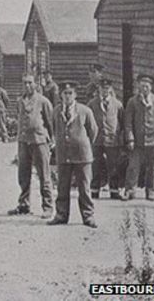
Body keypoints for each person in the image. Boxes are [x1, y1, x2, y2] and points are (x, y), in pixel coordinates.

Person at [48, 82, 99, 228]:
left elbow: (93, 131)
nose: (67, 96)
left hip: (82, 155)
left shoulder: (85, 111)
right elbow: (53, 129)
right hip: (64, 154)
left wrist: (83, 144)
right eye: (65, 93)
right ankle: (61, 215)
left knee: (84, 187)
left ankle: (88, 216)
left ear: (75, 95)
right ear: (61, 95)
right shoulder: (56, 111)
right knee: (62, 186)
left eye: (70, 93)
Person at [8, 74, 55, 218]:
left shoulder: (43, 101)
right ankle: (24, 204)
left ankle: (48, 207)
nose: (27, 86)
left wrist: (51, 140)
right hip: (23, 141)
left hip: (39, 142)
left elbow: (50, 122)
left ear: (35, 84)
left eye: (30, 83)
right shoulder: (20, 101)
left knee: (44, 175)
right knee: (23, 174)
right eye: (24, 83)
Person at [124, 74, 154, 201]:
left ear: (151, 87)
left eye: (147, 86)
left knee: (152, 168)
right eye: (142, 86)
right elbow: (128, 123)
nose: (144, 88)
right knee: (133, 167)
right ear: (139, 87)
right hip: (138, 142)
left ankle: (150, 191)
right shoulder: (133, 102)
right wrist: (130, 138)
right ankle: (130, 190)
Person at [88, 78, 126, 200]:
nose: (104, 91)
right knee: (96, 165)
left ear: (110, 89)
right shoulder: (92, 104)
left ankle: (114, 190)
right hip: (97, 140)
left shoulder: (117, 104)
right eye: (102, 88)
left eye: (106, 88)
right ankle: (94, 190)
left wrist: (119, 137)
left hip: (112, 140)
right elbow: (88, 122)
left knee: (113, 166)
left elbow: (122, 122)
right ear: (98, 89)